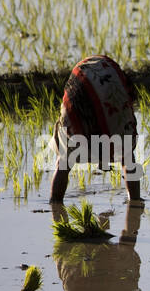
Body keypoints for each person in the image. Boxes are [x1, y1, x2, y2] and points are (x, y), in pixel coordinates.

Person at [49, 55, 143, 204]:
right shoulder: (119, 98)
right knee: (127, 156)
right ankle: (135, 201)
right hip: (87, 92)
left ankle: (55, 202)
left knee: (64, 160)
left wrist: (104, 157)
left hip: (77, 95)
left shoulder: (114, 82)